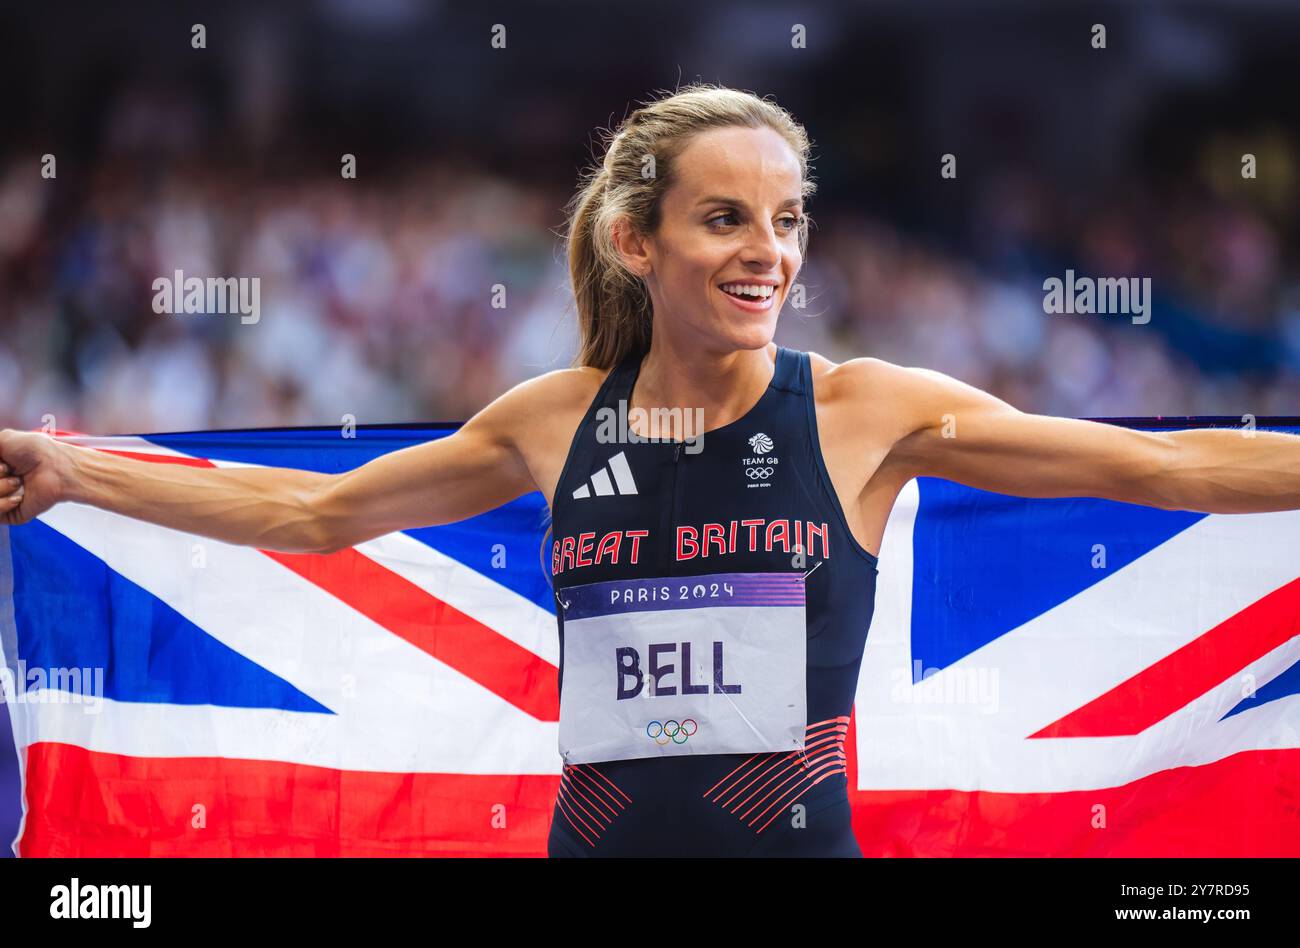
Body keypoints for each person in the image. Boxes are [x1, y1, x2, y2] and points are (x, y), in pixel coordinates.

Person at [2, 83, 1298, 857]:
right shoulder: (552, 421)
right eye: (726, 217)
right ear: (638, 239)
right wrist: (73, 475)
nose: (769, 253)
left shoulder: (863, 411)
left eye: (787, 221)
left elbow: (1161, 468)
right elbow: (310, 510)